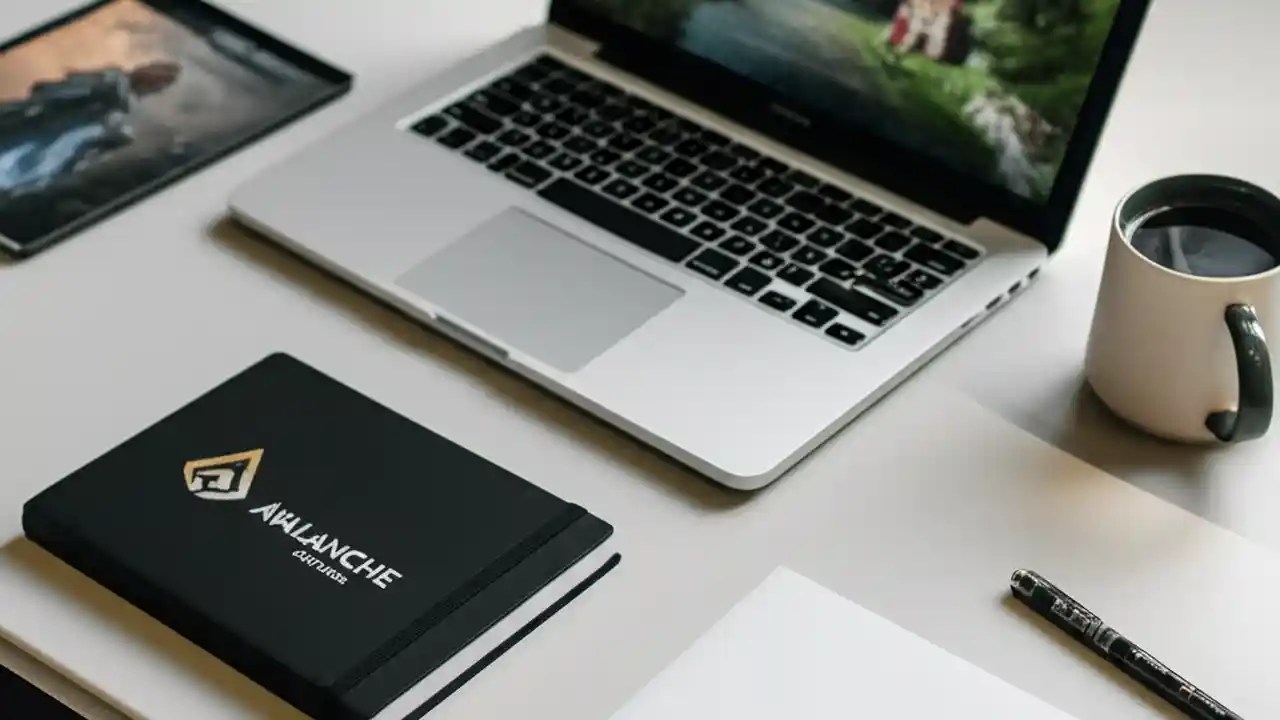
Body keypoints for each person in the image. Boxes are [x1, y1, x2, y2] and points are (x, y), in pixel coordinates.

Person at [0, 61, 181, 200]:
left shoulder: (121, 125)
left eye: (162, 82)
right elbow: (49, 92)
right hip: (27, 130)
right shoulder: (105, 83)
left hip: (38, 156)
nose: (156, 81)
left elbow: (81, 158)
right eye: (158, 73)